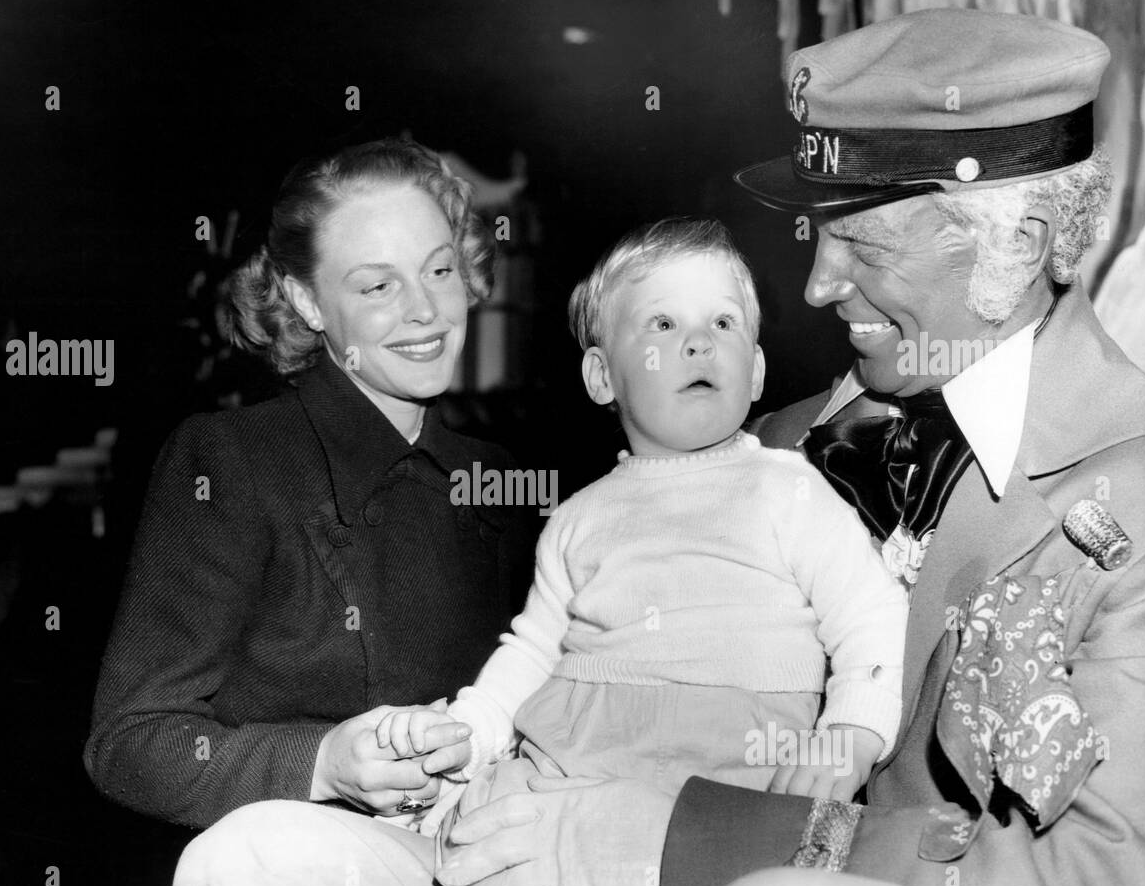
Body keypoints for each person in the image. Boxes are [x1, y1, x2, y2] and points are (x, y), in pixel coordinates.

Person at [170, 9, 1145, 886]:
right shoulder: (769, 442)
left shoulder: (1137, 490)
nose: (817, 285)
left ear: (1018, 242)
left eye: (862, 245)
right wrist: (487, 767)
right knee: (255, 873)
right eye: (817, 239)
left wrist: (671, 841)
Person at [376, 218, 908, 840]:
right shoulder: (579, 517)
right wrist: (471, 733)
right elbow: (534, 651)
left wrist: (849, 734)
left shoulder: (790, 490)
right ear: (602, 376)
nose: (699, 343)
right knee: (468, 840)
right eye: (663, 324)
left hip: (738, 774)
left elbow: (872, 621)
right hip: (574, 765)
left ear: (757, 372)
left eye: (723, 323)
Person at [85, 138, 532, 829]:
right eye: (378, 285)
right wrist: (319, 762)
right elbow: (130, 742)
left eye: (439, 270)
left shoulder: (496, 477)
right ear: (306, 300)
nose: (426, 311)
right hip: (297, 883)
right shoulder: (231, 462)